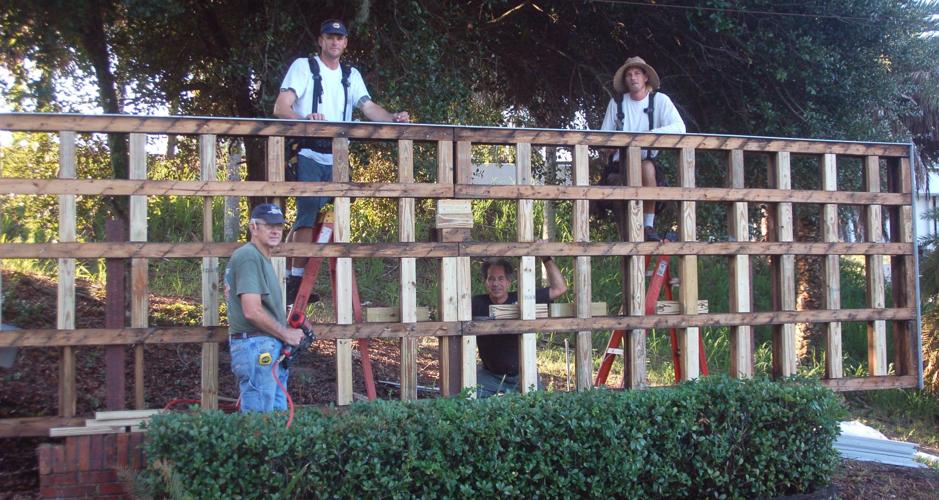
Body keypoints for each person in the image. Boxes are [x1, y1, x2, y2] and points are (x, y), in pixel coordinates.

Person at [273, 19, 411, 305]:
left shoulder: (351, 74)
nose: (335, 42)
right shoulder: (304, 67)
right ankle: (294, 283)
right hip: (308, 150)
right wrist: (305, 121)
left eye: (340, 38)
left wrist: (394, 119)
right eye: (330, 37)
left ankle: (298, 280)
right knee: (307, 217)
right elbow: (281, 107)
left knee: (331, 219)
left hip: (338, 155)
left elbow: (368, 107)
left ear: (346, 43)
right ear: (320, 40)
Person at [226, 203, 305, 412]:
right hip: (255, 345)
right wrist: (286, 334)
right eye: (269, 226)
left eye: (279, 226)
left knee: (274, 423)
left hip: (264, 345)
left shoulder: (261, 258)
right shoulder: (249, 256)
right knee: (260, 426)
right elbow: (251, 310)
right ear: (253, 227)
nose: (275, 231)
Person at [600, 56, 686, 241]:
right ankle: (627, 247)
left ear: (645, 77)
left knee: (647, 168)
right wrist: (610, 146)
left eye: (637, 73)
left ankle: (648, 225)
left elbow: (680, 128)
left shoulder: (660, 101)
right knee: (625, 230)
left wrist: (650, 135)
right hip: (619, 168)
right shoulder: (616, 103)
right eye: (629, 74)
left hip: (646, 164)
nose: (633, 78)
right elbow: (603, 138)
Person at [471, 257, 567, 397]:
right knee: (467, 399)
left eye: (501, 278)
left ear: (509, 282)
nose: (496, 283)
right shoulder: (476, 303)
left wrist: (546, 258)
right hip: (489, 375)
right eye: (491, 279)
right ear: (485, 282)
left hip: (522, 374)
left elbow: (560, 288)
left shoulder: (524, 298)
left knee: (538, 404)